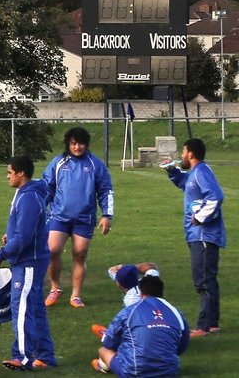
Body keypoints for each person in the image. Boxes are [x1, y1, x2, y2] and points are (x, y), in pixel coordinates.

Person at [0, 155, 54, 371]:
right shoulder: (24, 193)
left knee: (21, 309)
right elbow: (23, 230)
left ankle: (22, 358)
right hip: (30, 260)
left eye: (9, 173)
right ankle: (45, 355)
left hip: (28, 263)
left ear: (21, 173)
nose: (7, 177)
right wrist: (10, 234)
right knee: (36, 308)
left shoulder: (29, 198)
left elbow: (24, 238)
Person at [42, 127, 114, 308]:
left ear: (86, 144)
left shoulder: (95, 164)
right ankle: (55, 288)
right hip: (59, 216)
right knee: (52, 250)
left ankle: (75, 295)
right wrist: (39, 208)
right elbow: (47, 188)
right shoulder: (58, 162)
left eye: (81, 143)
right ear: (68, 144)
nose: (77, 147)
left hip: (84, 218)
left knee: (80, 254)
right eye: (74, 143)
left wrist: (106, 215)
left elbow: (106, 191)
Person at [165, 137, 223, 336]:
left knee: (203, 280)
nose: (181, 155)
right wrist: (171, 171)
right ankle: (212, 323)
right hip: (197, 235)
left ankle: (203, 327)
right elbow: (185, 181)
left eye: (183, 151)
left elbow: (215, 196)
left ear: (190, 153)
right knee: (207, 279)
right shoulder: (195, 174)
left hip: (204, 235)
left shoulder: (202, 172)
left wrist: (200, 217)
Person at [91, 273, 188, 376]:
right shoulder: (176, 312)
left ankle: (104, 366)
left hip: (135, 372)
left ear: (141, 293)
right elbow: (183, 344)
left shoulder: (129, 311)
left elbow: (109, 343)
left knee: (104, 350)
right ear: (162, 292)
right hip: (169, 372)